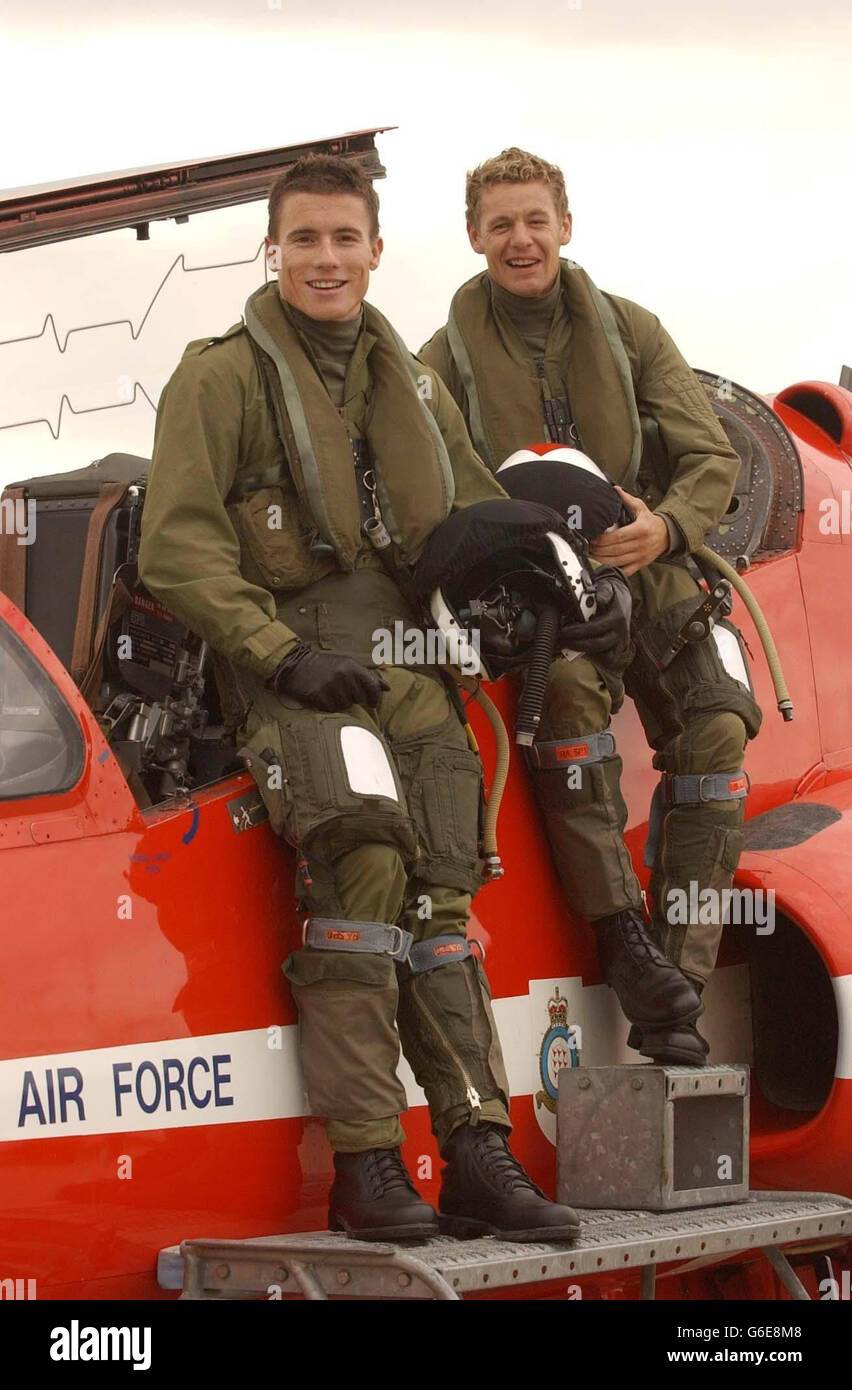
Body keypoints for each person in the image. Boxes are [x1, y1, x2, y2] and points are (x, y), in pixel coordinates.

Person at [137, 154, 580, 1242]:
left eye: (345, 239)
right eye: (305, 239)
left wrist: (552, 585)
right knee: (365, 859)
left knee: (443, 901)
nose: (326, 259)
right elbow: (178, 549)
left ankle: (476, 1150)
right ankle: (368, 1161)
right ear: (273, 250)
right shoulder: (220, 379)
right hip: (294, 664)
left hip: (409, 666)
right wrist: (281, 655)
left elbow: (472, 512)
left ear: (377, 250)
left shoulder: (414, 388)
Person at [419, 147, 762, 1065]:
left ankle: (679, 982)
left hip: (646, 562)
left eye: (535, 220)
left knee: (717, 724)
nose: (520, 240)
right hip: (540, 587)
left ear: (565, 226)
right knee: (565, 700)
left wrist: (668, 527)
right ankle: (621, 935)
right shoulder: (439, 361)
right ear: (474, 237)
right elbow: (426, 488)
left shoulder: (631, 329)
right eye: (500, 224)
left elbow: (711, 455)